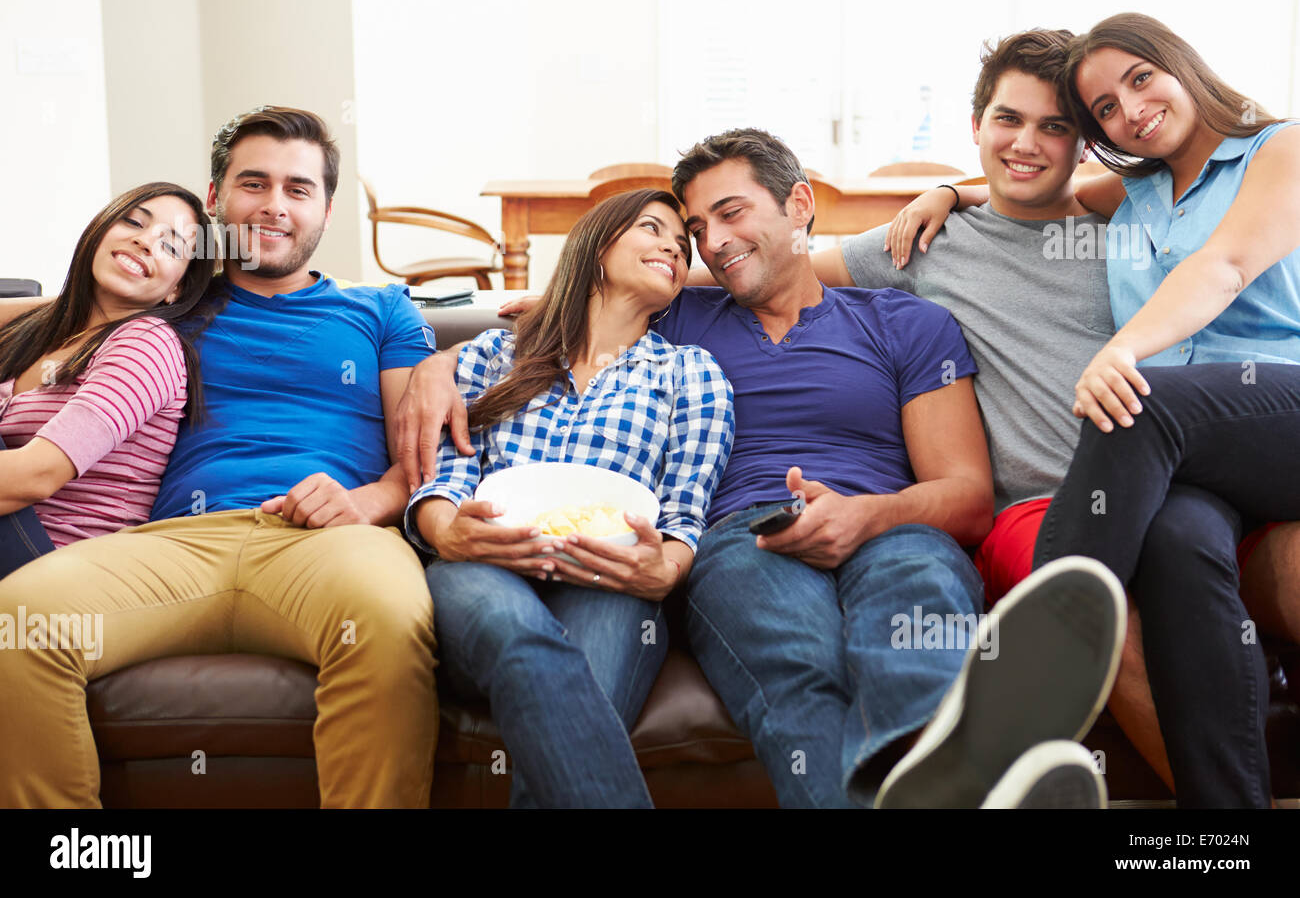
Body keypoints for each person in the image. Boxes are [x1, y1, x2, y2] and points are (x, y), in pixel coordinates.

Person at [405, 128, 1127, 808]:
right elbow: (562, 324)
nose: (712, 244)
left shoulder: (907, 322)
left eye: (730, 214)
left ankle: (930, 767)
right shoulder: (679, 323)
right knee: (798, 668)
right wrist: (432, 366)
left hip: (892, 524)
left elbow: (968, 498)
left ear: (799, 204)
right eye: (696, 231)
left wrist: (864, 514)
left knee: (914, 606)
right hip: (743, 538)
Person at [891, 13, 1300, 807]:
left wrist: (1122, 351)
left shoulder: (1277, 150)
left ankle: (1029, 687)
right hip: (1200, 456)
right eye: (1105, 109)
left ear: (1181, 64)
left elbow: (1224, 265)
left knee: (1137, 405)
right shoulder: (1137, 190)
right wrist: (949, 189)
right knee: (1179, 546)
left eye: (1140, 79)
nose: (1130, 111)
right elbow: (1035, 183)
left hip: (1279, 412)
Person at [0, 106, 439, 808]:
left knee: (388, 622)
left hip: (331, 539)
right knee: (17, 622)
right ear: (216, 201)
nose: (272, 205)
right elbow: (62, 311)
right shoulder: (169, 299)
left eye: (298, 189)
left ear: (327, 209)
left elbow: (413, 464)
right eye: (253, 183)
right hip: (172, 546)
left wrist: (368, 497)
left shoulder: (382, 310)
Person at [804, 28, 1180, 791]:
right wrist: (574, 298)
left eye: (1055, 126)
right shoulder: (925, 245)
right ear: (975, 127)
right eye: (1008, 120)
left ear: (1086, 143)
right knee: (1107, 614)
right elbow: (777, 271)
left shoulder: (1131, 230)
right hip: (1036, 512)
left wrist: (953, 185)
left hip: (1164, 490)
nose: (1027, 144)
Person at [407, 188, 734, 808]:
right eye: (652, 228)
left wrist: (662, 570)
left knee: (582, 677)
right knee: (519, 635)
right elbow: (443, 476)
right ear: (599, 243)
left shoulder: (690, 373)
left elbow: (686, 511)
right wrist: (447, 533)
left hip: (610, 580)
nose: (673, 245)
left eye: (681, 243)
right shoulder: (491, 355)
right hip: (483, 565)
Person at [0, 182, 217, 578]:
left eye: (170, 247)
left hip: (52, 563)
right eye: (133, 221)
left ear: (177, 289)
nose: (144, 242)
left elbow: (37, 475)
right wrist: (69, 302)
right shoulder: (38, 335)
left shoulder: (146, 344)